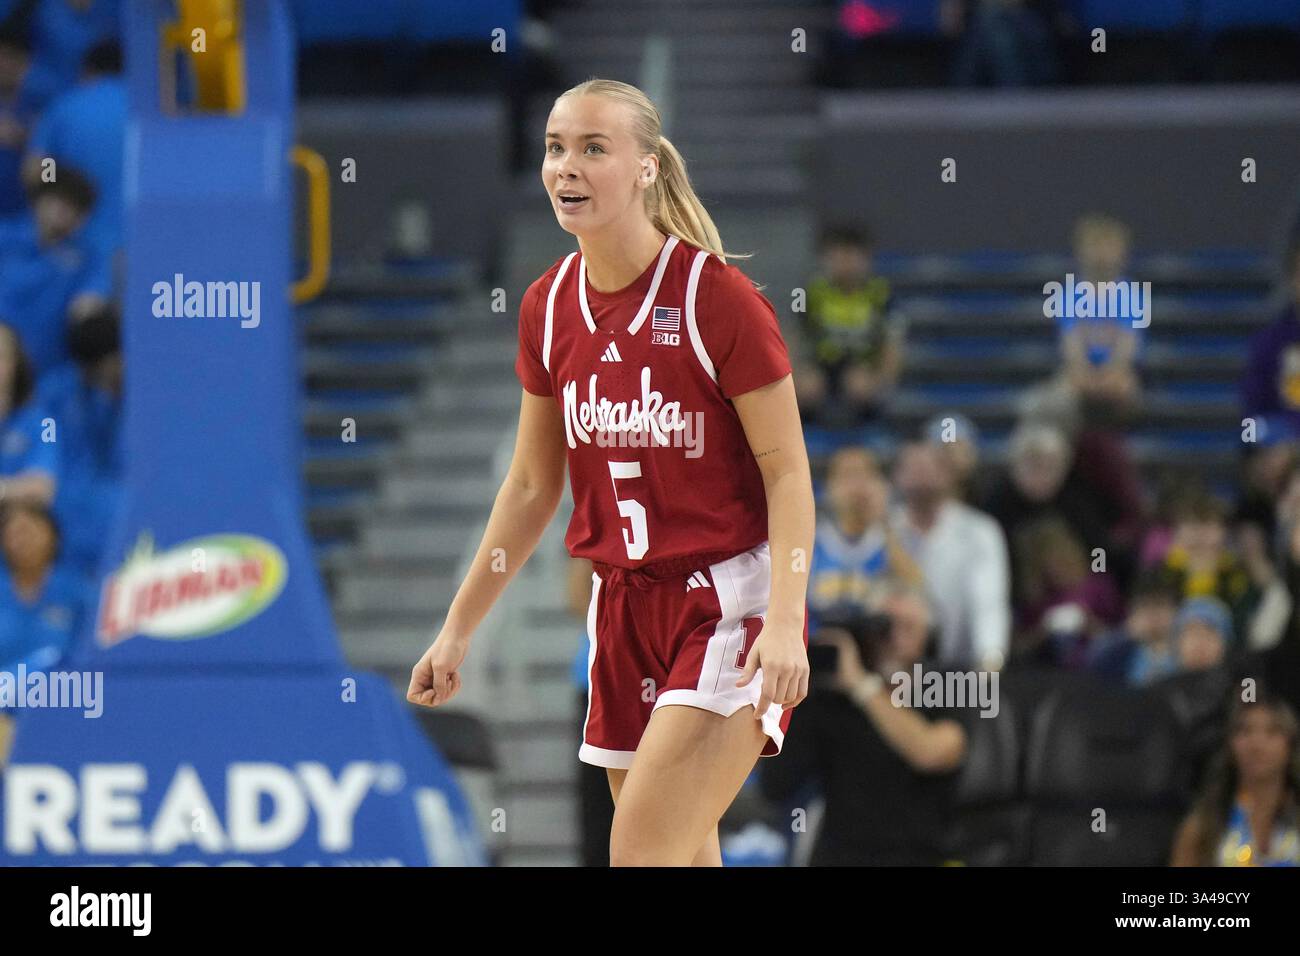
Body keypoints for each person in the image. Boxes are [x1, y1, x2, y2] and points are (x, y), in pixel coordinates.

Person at [407, 79, 815, 867]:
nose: (567, 165)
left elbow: (789, 472)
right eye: (556, 147)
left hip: (726, 606)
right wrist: (457, 629)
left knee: (639, 855)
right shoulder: (546, 307)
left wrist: (788, 620)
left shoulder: (715, 299)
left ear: (647, 168)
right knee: (684, 857)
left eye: (594, 147)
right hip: (621, 609)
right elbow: (531, 486)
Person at [758, 583, 968, 865]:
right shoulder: (836, 698)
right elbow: (776, 786)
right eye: (882, 627)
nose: (892, 638)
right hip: (841, 855)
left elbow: (931, 752)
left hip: (917, 855)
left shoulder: (947, 687)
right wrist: (794, 694)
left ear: (928, 638)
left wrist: (862, 686)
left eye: (907, 628)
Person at [891, 441, 1011, 671]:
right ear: (898, 476)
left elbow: (988, 601)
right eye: (914, 468)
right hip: (894, 667)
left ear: (948, 475)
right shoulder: (885, 530)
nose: (922, 476)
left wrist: (990, 658)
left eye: (930, 468)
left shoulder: (979, 531)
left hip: (958, 665)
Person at [0, 167, 111, 375]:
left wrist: (89, 309)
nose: (63, 212)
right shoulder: (5, 237)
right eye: (58, 201)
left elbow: (91, 300)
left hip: (50, 371)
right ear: (39, 200)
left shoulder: (88, 259)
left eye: (74, 208)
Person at [793, 224, 905, 427]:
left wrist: (881, 383)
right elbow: (792, 334)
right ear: (826, 258)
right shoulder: (806, 291)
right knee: (809, 387)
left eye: (852, 256)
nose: (846, 263)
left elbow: (893, 344)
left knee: (859, 384)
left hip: (861, 366)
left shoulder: (881, 294)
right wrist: (794, 376)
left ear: (865, 259)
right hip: (821, 367)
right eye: (838, 256)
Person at [1171, 693, 1300, 866]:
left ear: (1290, 744)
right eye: (1245, 731)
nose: (1257, 744)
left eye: (1272, 731)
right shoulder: (1202, 826)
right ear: (1229, 744)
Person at [809, 446, 921, 623]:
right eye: (847, 475)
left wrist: (882, 521)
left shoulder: (896, 534)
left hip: (876, 640)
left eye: (864, 474)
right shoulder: (812, 538)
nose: (857, 485)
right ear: (830, 487)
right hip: (820, 640)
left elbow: (917, 592)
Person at [1242, 242, 1300, 432]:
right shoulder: (1269, 343)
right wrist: (1261, 443)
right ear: (1291, 280)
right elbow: (1250, 421)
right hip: (1280, 447)